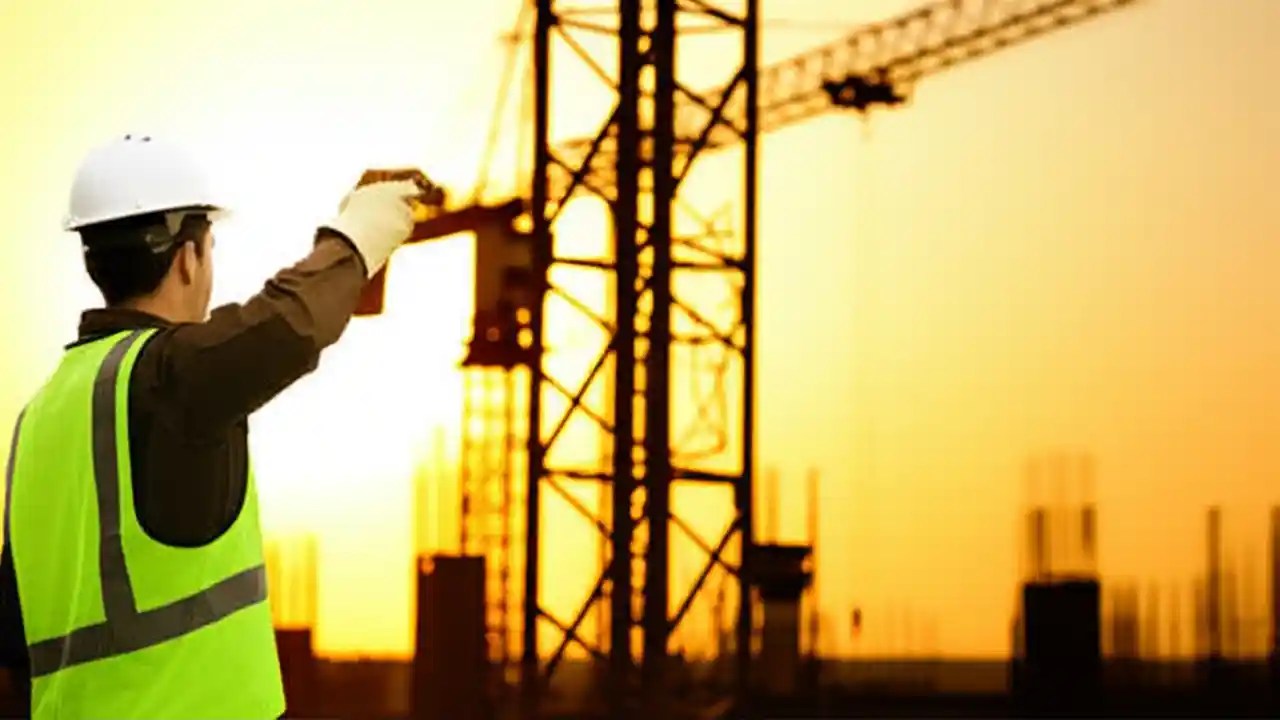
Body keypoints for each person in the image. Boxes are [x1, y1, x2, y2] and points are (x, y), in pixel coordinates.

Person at [0, 134, 426, 719]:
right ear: (188, 258)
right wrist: (358, 235)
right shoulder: (168, 378)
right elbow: (287, 325)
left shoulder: (38, 420)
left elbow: (14, 643)